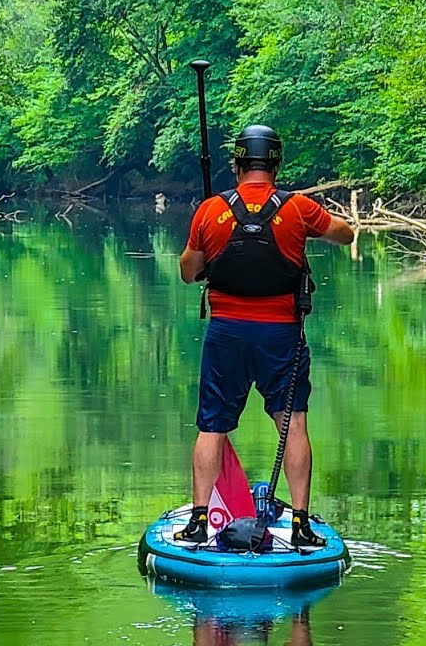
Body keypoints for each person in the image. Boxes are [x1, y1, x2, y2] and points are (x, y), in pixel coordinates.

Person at [176, 124, 355, 547]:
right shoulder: (298, 208)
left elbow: (188, 272)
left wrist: (206, 252)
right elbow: (344, 234)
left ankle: (199, 521)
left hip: (226, 335)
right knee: (292, 427)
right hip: (281, 336)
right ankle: (300, 524)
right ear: (276, 164)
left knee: (212, 426)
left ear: (237, 164)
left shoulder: (210, 211)